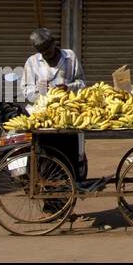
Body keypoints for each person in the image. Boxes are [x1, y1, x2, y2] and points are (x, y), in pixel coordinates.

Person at [20, 28, 88, 183]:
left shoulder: (70, 57)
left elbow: (82, 83)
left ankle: (68, 199)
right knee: (47, 162)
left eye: (47, 48)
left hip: (68, 115)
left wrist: (68, 87)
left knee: (68, 160)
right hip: (44, 118)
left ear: (53, 42)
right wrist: (41, 91)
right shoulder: (32, 62)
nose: (45, 53)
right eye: (41, 51)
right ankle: (51, 204)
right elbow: (26, 91)